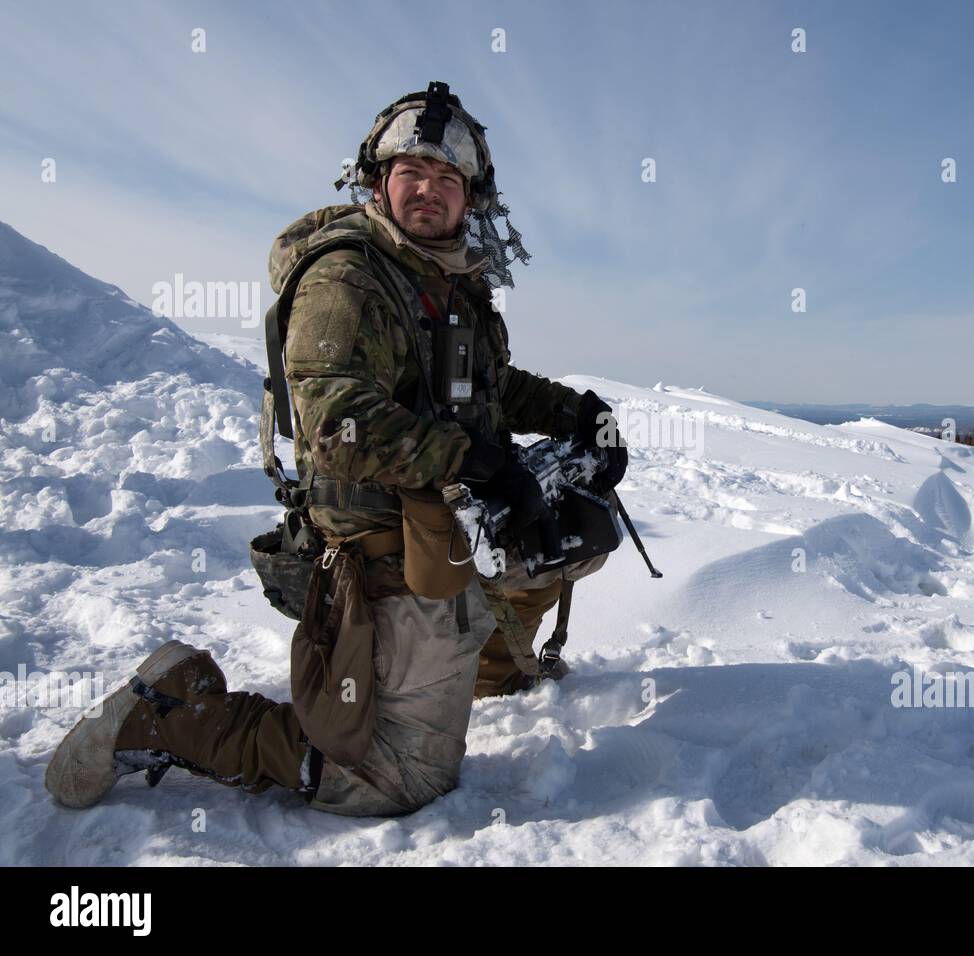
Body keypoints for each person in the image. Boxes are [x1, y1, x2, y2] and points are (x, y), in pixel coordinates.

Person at [44, 82, 627, 816]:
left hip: (451, 520)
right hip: (383, 546)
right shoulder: (349, 276)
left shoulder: (449, 286)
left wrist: (579, 414)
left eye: (448, 178)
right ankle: (166, 710)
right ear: (378, 181)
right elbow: (336, 423)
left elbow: (495, 387)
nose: (428, 189)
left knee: (578, 526)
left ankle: (478, 672)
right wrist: (474, 461)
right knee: (397, 781)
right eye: (410, 171)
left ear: (471, 200)